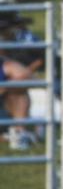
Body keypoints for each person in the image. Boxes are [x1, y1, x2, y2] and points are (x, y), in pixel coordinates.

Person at [1, 10, 44, 151]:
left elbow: (26, 76)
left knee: (19, 93)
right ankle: (13, 136)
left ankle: (19, 134)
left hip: (4, 106)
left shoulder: (7, 63)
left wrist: (5, 87)